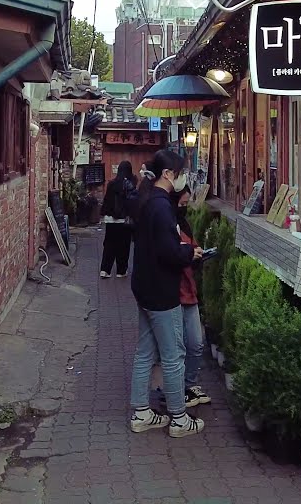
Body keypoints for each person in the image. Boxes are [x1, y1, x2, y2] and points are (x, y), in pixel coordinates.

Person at [128, 149, 205, 438]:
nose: (184, 178)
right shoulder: (162, 207)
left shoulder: (147, 201)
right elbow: (169, 252)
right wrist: (190, 252)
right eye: (181, 173)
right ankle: (178, 418)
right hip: (162, 291)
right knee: (173, 356)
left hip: (145, 287)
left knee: (144, 352)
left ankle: (141, 412)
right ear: (168, 175)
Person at [171, 185, 211, 409]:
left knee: (196, 343)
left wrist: (196, 254)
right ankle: (177, 391)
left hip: (189, 289)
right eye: (182, 204)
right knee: (177, 347)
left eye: (187, 204)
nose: (184, 208)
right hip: (173, 292)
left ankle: (189, 383)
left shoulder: (183, 224)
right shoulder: (167, 224)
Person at [100, 161, 137, 278]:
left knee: (109, 245)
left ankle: (105, 270)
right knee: (124, 246)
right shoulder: (130, 184)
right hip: (124, 221)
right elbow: (131, 203)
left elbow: (106, 201)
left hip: (111, 220)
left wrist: (105, 214)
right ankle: (121, 271)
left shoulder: (111, 184)